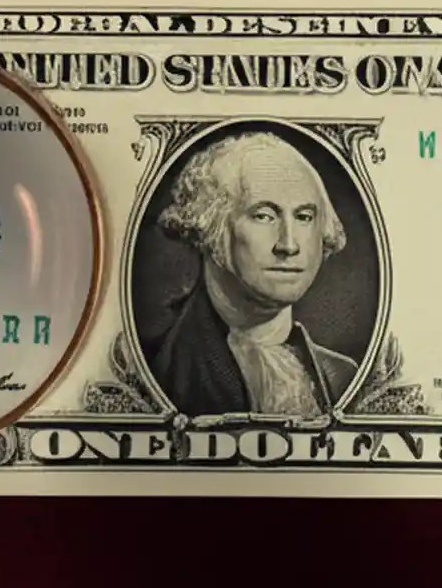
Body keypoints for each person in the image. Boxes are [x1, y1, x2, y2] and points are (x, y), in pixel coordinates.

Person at [141, 129, 359, 417]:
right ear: (210, 226)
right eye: (264, 216)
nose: (289, 245)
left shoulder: (342, 376)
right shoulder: (155, 368)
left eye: (304, 217)